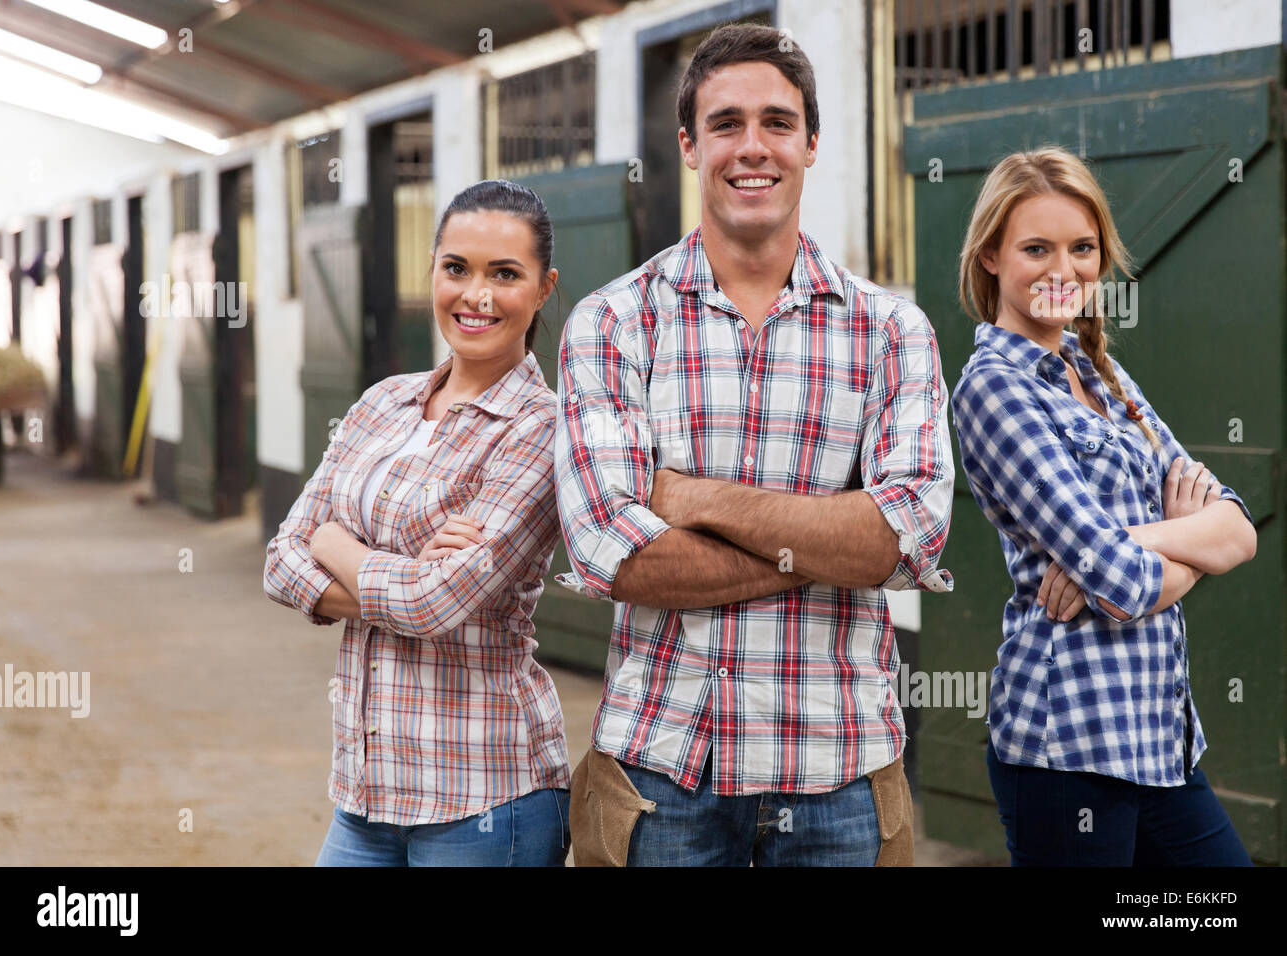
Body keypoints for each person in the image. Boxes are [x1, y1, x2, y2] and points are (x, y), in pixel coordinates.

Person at [554, 23, 954, 867]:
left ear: (811, 143)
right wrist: (828, 541)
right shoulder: (614, 322)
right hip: (660, 773)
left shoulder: (891, 332)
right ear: (690, 147)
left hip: (838, 769)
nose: (752, 147)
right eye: (726, 123)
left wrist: (696, 500)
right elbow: (612, 557)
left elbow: (906, 536)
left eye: (777, 122)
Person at [950, 146, 1257, 866]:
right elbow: (1124, 586)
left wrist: (1145, 537)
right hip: (1070, 750)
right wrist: (1184, 542)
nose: (1066, 269)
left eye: (1082, 247)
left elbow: (1238, 527)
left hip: (1160, 739)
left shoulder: (1103, 373)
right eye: (1037, 247)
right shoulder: (994, 388)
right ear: (992, 255)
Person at [263, 180, 573, 866]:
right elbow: (280, 559)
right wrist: (402, 573)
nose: (476, 295)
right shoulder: (383, 403)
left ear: (544, 287)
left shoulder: (539, 429)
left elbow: (433, 603)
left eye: (505, 274)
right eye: (457, 268)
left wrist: (335, 541)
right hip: (365, 793)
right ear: (431, 268)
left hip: (485, 798)